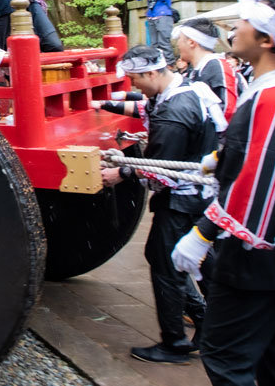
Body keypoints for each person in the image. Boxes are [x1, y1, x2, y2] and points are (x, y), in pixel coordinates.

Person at [172, 0, 275, 386]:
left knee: (224, 355)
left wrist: (202, 234)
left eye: (244, 22)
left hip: (261, 255)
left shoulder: (273, 96)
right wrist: (224, 158)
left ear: (266, 40)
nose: (234, 27)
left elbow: (260, 187)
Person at [100, 46, 221, 364]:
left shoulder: (173, 115)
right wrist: (99, 104)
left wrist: (119, 173)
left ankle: (174, 343)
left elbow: (160, 170)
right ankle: (210, 325)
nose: (133, 86)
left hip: (182, 198)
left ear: (152, 73)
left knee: (165, 263)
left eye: (135, 79)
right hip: (204, 194)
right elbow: (143, 107)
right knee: (204, 261)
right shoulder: (187, 89)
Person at [173, 18, 245, 127]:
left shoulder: (218, 67)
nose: (177, 44)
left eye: (180, 39)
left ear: (191, 42)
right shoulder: (197, 70)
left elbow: (228, 111)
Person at [136, 0, 176, 65]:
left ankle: (170, 64)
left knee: (164, 42)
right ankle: (157, 63)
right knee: (154, 44)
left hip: (164, 16)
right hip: (151, 16)